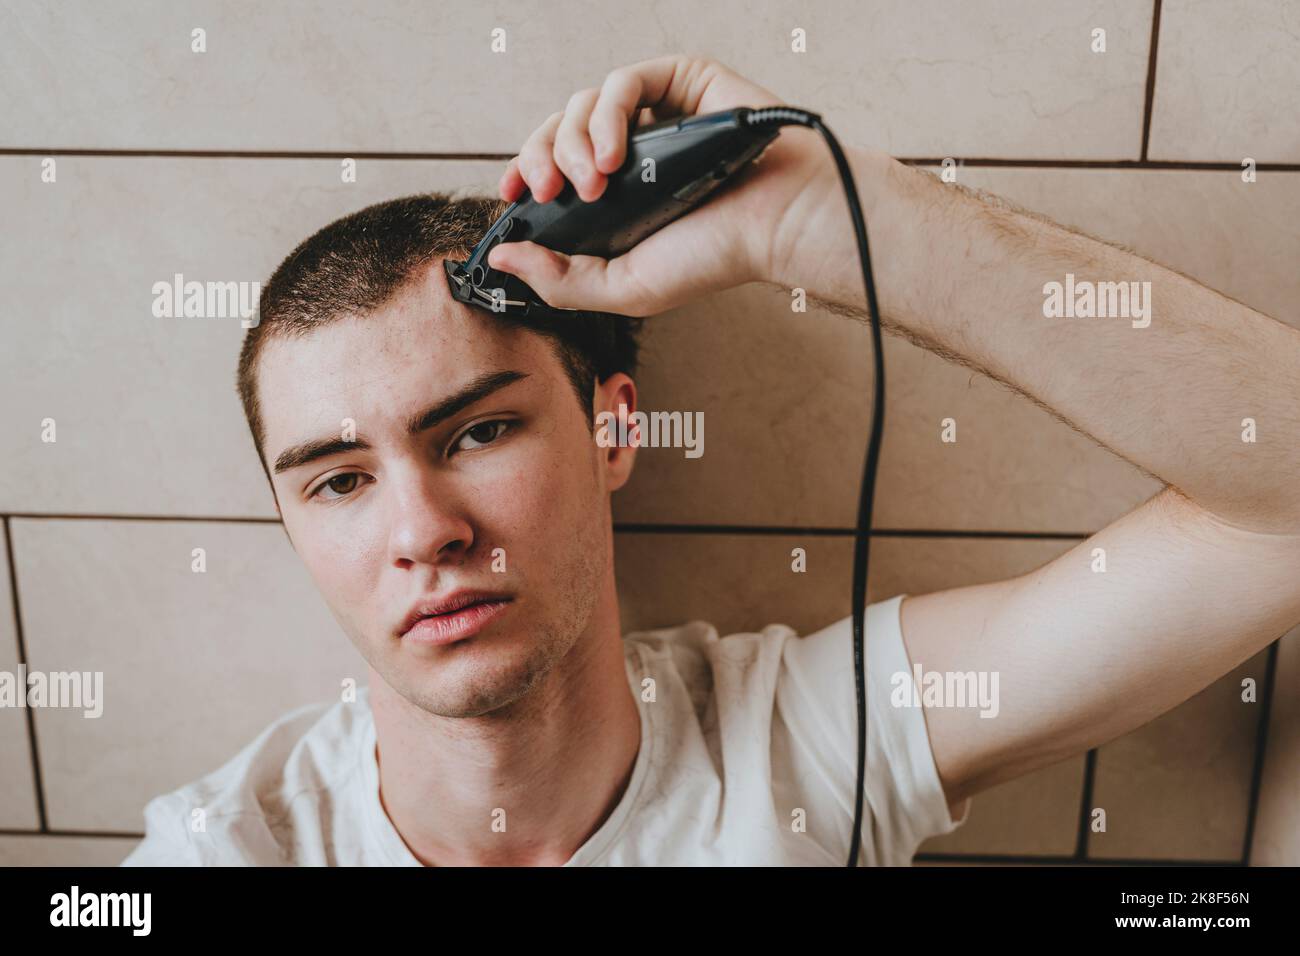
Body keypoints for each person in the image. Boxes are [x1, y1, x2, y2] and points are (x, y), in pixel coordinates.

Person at [123, 54, 1300, 866]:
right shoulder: (225, 850)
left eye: (476, 430)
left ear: (614, 427)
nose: (421, 527)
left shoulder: (807, 741)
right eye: (338, 478)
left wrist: (826, 222)